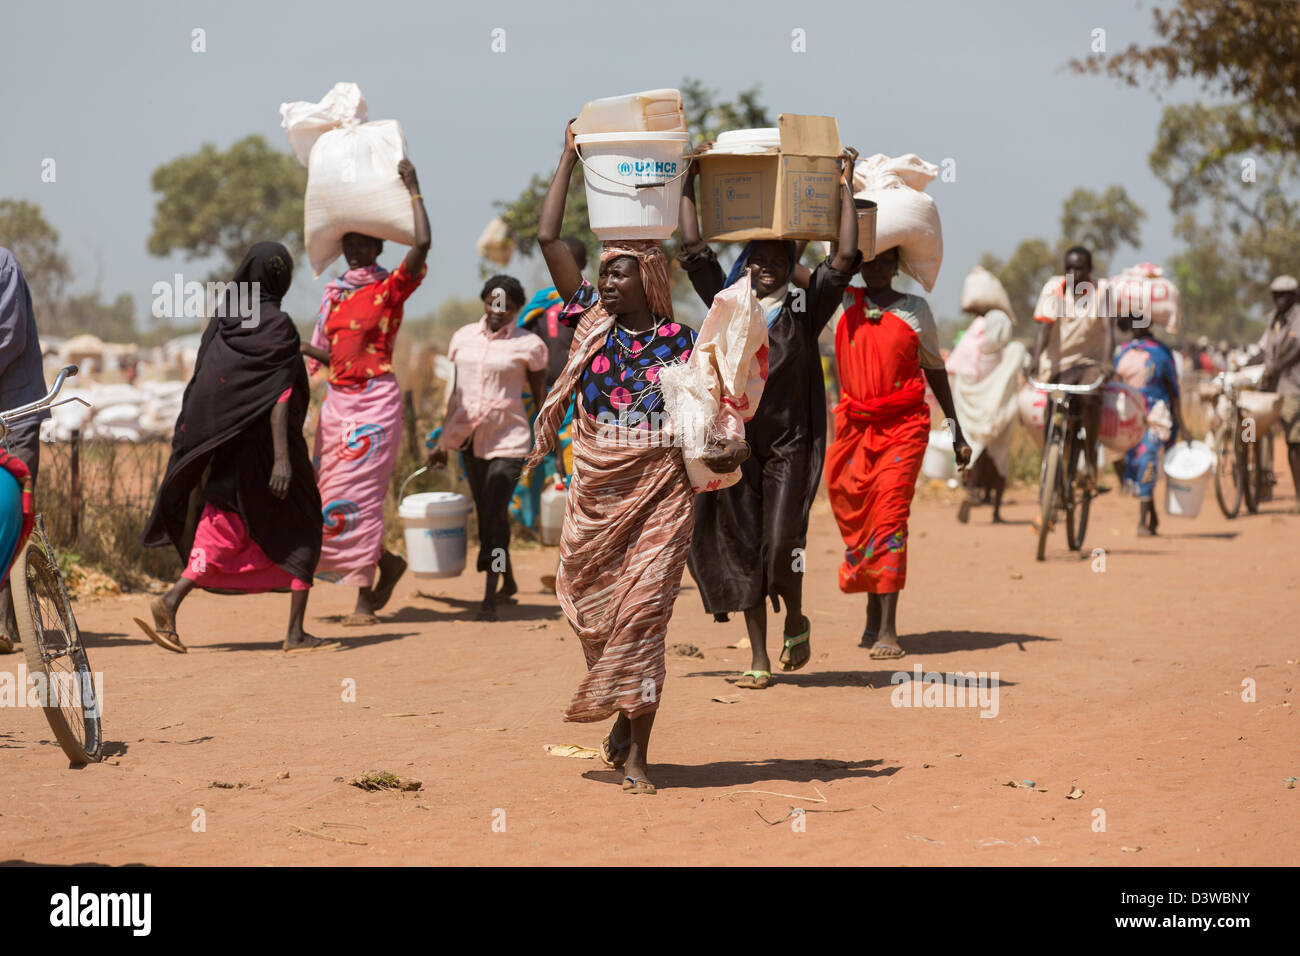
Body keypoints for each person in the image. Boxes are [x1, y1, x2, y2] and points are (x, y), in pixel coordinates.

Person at [529, 120, 749, 794]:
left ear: (648, 276)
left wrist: (727, 444)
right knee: (596, 614)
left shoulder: (683, 343)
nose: (605, 282)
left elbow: (706, 419)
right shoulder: (587, 325)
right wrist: (566, 156)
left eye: (618, 271)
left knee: (645, 615)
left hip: (660, 495)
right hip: (596, 495)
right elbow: (547, 238)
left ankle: (636, 756)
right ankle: (623, 709)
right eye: (601, 271)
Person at [676, 144, 861, 688]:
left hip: (789, 444)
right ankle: (757, 654)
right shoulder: (729, 303)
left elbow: (844, 260)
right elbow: (692, 250)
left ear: (790, 266)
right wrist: (688, 182)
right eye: (756, 258)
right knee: (743, 544)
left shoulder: (806, 310)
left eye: (777, 261)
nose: (764, 267)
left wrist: (844, 185)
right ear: (747, 262)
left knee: (782, 542)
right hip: (733, 446)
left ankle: (797, 615)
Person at [138, 242, 327, 652]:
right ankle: (294, 632)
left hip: (225, 446)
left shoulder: (228, 316)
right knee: (305, 523)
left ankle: (171, 600)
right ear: (281, 279)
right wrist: (281, 460)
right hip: (268, 450)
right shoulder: (277, 323)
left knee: (222, 526)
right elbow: (278, 394)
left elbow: (222, 375)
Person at [827, 245, 971, 659]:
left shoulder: (915, 310)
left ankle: (889, 629)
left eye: (884, 261)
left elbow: (935, 370)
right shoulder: (842, 300)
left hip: (903, 428)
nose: (876, 269)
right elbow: (797, 274)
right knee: (864, 516)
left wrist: (957, 431)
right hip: (854, 429)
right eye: (868, 262)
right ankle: (873, 611)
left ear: (897, 266)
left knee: (889, 517)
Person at [305, 159, 429, 624]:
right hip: (338, 403)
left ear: (379, 245)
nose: (355, 250)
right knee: (330, 494)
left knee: (363, 494)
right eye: (348, 244)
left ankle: (361, 598)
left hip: (376, 403)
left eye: (363, 243)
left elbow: (422, 243)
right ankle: (387, 562)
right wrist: (290, 345)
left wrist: (414, 189)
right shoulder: (333, 294)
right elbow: (328, 354)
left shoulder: (390, 289)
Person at [428, 275, 548, 620]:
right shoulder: (462, 338)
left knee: (494, 512)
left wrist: (545, 436)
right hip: (469, 440)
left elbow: (540, 397)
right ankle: (507, 578)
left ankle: (489, 595)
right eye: (492, 302)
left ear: (516, 308)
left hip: (509, 440)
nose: (498, 310)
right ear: (483, 301)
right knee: (486, 511)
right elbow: (455, 394)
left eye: (506, 305)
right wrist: (442, 441)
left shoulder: (529, 345)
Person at [509, 237, 586, 535]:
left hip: (582, 395)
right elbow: (520, 341)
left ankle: (579, 531)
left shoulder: (593, 300)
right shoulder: (541, 303)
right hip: (545, 394)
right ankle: (539, 528)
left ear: (581, 264)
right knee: (540, 456)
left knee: (576, 458)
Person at [1029, 246, 1115, 506]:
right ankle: (1050, 473)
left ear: (1089, 270)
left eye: (1078, 268)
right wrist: (1034, 360)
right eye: (1068, 268)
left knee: (1090, 396)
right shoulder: (1054, 289)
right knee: (1053, 410)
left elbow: (1109, 330)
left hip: (1089, 363)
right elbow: (1045, 329)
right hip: (1060, 365)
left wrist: (1108, 363)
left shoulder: (1102, 293)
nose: (1072, 273)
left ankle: (1089, 462)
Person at [0, 248, 49, 654]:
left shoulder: (3, 265)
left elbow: (10, 337)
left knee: (13, 510)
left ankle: (5, 621)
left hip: (14, 410)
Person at [947, 299, 1026, 524]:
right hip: (1000, 416)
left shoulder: (973, 350)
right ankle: (996, 511)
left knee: (974, 455)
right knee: (1000, 460)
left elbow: (960, 379)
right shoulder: (1010, 353)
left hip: (974, 417)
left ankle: (971, 491)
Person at [1115, 311, 1183, 534]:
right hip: (1129, 417)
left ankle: (1143, 522)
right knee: (1133, 463)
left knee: (1147, 459)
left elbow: (1174, 390)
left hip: (1156, 414)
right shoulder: (1123, 351)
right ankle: (1152, 516)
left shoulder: (1161, 353)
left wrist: (1181, 422)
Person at [1261, 274, 1300, 512]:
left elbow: (1297, 347)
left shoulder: (1298, 317)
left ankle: (1298, 496)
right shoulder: (1273, 319)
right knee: (1252, 428)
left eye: (1284, 294)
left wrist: (1277, 366)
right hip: (1273, 390)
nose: (1279, 299)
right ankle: (1259, 482)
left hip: (1294, 387)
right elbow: (1264, 348)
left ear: (1294, 296)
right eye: (1276, 295)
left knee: (1294, 442)